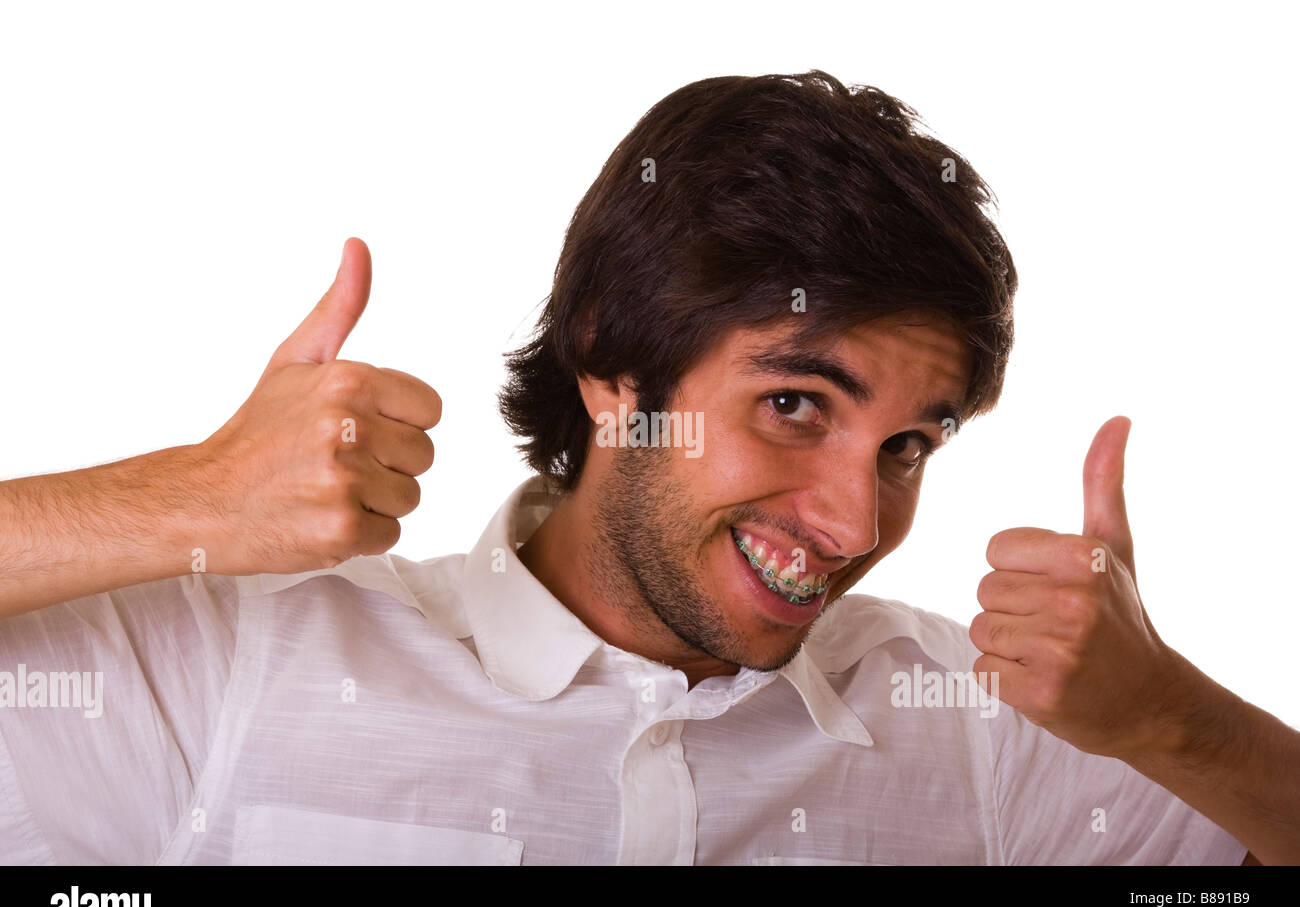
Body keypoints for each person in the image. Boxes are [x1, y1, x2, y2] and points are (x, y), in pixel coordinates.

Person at [0, 71, 1293, 865]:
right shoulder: (240, 671)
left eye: (909, 445)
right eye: (795, 403)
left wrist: (1170, 720)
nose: (855, 520)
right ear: (613, 365)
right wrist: (183, 500)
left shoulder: (989, 728)